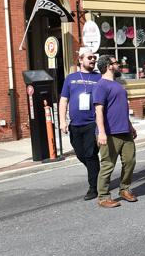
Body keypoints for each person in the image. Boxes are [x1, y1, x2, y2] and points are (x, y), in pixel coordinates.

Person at [93, 55, 138, 209]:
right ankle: (103, 196)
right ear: (108, 66)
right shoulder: (101, 85)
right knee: (108, 165)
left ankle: (124, 189)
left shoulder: (117, 84)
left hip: (125, 131)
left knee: (130, 161)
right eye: (115, 63)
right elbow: (99, 111)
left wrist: (130, 126)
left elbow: (121, 108)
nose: (118, 65)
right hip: (110, 133)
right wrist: (101, 132)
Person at [59, 48, 102, 200]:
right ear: (80, 59)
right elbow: (64, 100)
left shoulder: (99, 78)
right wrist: (63, 121)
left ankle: (93, 188)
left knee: (90, 155)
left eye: (94, 58)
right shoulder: (70, 78)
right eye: (89, 57)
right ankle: (97, 173)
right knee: (80, 154)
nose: (93, 60)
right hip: (75, 124)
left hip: (92, 123)